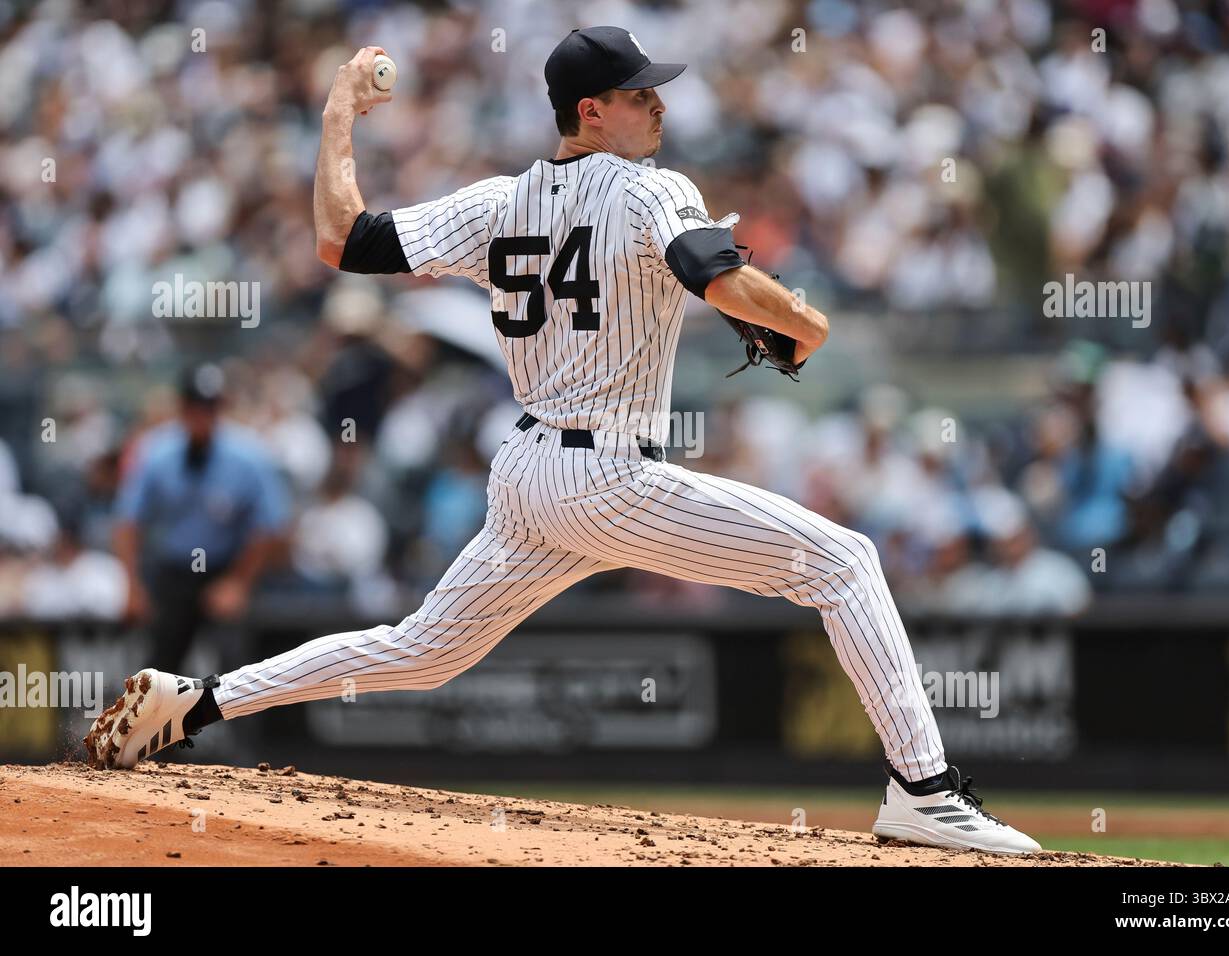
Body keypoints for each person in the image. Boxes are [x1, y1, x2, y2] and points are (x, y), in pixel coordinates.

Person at [85, 28, 1039, 855]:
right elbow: (714, 273)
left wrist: (338, 110)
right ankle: (926, 796)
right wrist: (802, 319)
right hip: (608, 470)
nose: (658, 104)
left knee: (420, 651)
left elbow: (341, 239)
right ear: (591, 110)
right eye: (638, 93)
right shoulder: (646, 189)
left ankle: (194, 703)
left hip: (533, 472)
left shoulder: (497, 204)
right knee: (844, 561)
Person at [113, 363, 289, 677]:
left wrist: (239, 582)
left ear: (220, 408)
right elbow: (128, 521)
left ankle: (241, 726)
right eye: (194, 406)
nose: (200, 415)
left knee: (239, 672)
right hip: (172, 574)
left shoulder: (249, 456)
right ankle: (156, 727)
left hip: (225, 568)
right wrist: (132, 585)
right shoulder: (156, 451)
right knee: (158, 672)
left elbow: (270, 526)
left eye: (208, 407)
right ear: (181, 407)